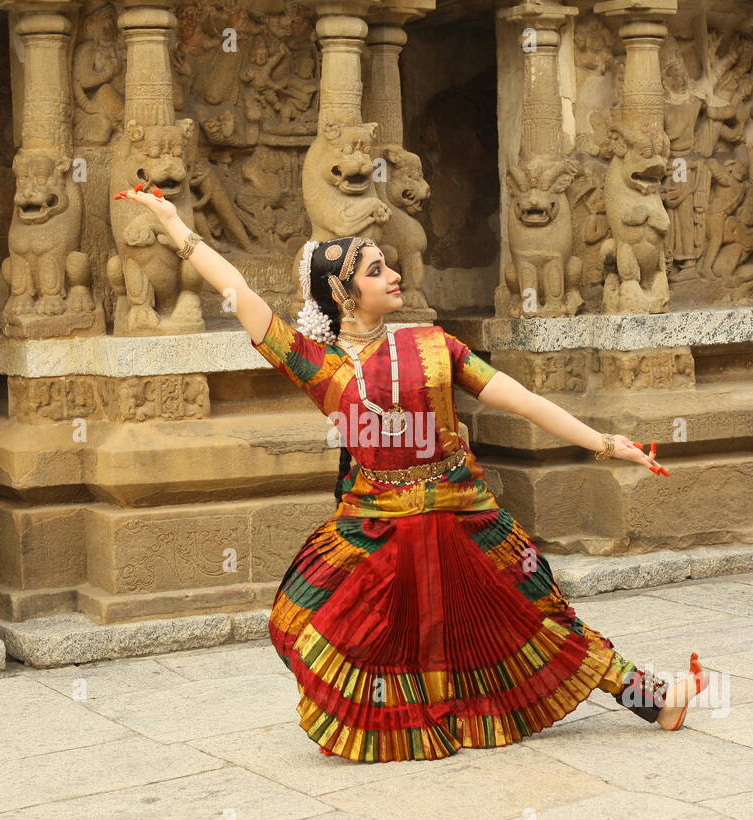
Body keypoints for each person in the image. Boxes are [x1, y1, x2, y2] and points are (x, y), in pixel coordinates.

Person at [117, 184, 710, 762]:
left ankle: (655, 701)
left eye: (387, 264)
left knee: (544, 619)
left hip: (466, 519)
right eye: (375, 270)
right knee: (303, 619)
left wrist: (606, 443)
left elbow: (520, 398)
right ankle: (404, 721)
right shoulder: (316, 365)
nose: (393, 273)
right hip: (376, 528)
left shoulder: (434, 344)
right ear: (343, 294)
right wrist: (173, 226)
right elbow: (237, 289)